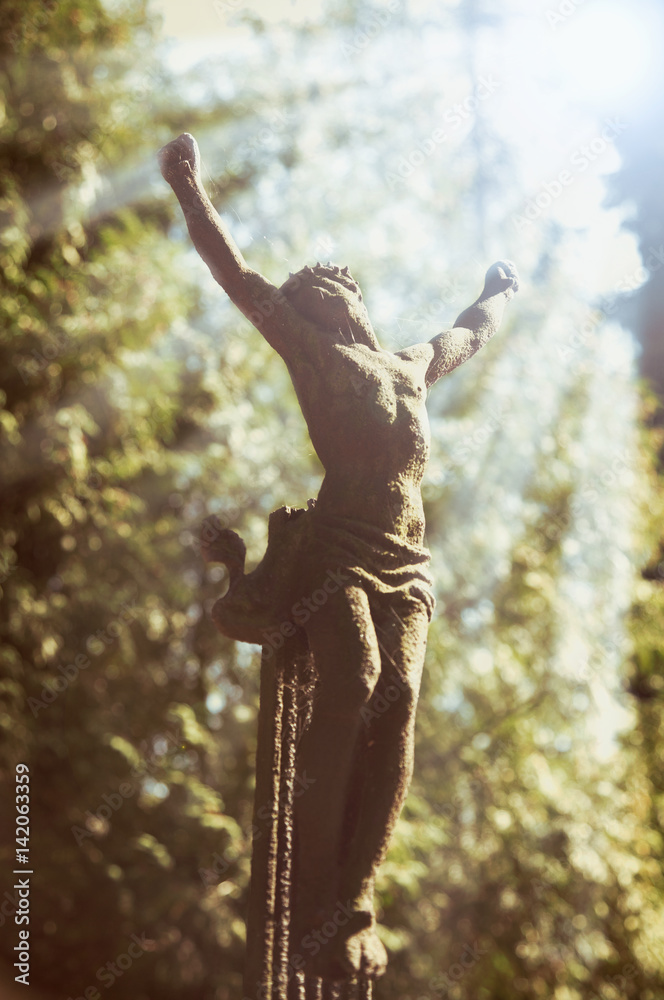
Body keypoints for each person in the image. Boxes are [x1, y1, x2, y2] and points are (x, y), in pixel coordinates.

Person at [159, 133, 519, 981]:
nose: (310, 293)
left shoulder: (410, 365)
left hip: (408, 565)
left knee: (398, 707)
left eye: (323, 285)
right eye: (302, 292)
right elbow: (237, 274)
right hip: (337, 552)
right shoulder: (310, 351)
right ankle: (312, 894)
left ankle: (354, 901)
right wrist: (187, 186)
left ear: (352, 298)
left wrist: (498, 291)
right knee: (354, 680)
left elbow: (469, 332)